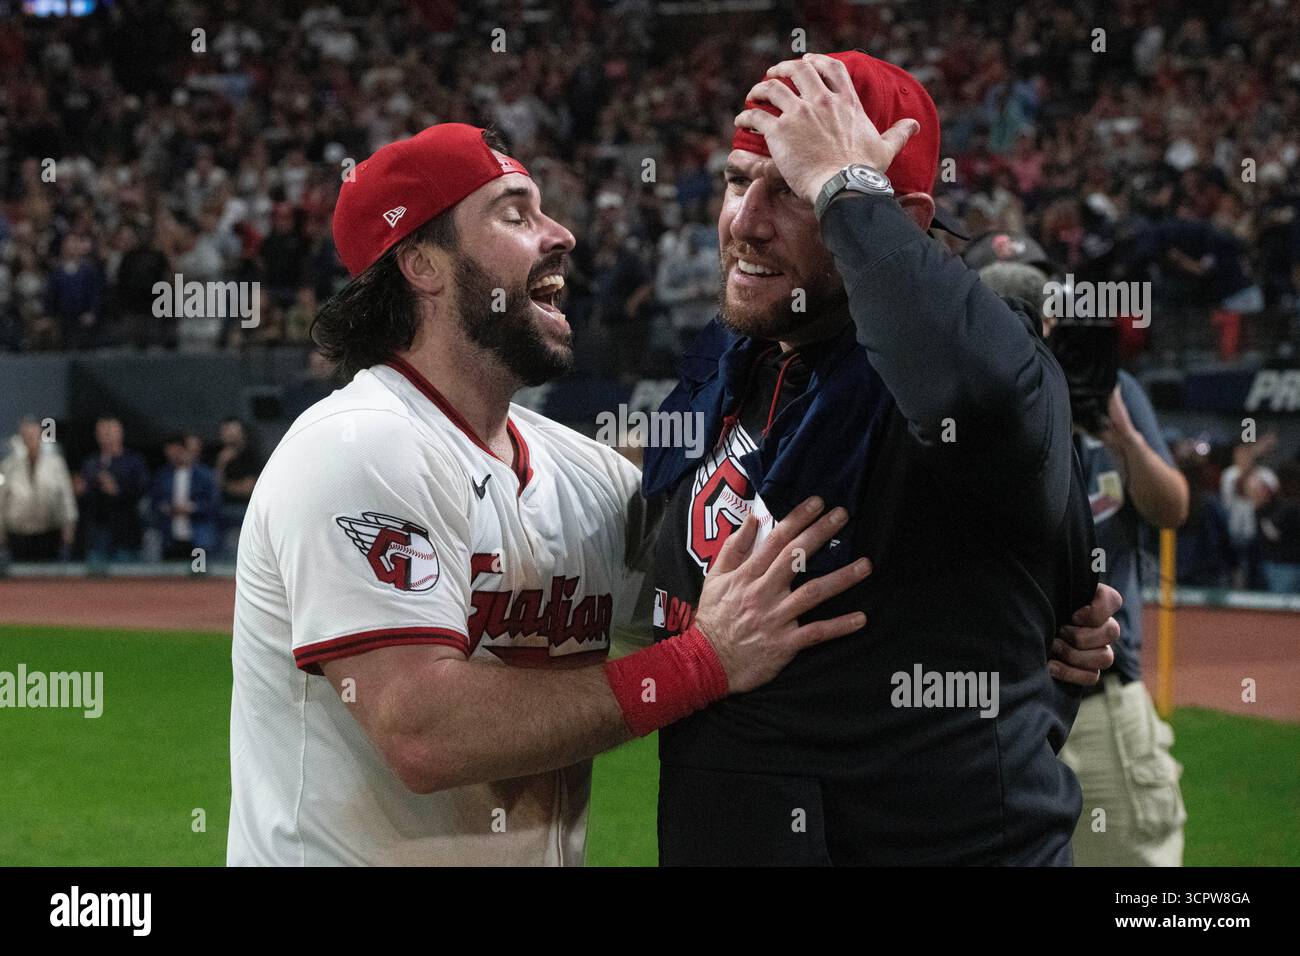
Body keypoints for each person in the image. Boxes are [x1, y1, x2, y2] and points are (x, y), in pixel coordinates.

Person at [226, 123, 869, 866]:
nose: (561, 233)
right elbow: (423, 731)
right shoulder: (359, 445)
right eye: (514, 212)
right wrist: (700, 665)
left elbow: (736, 602)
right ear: (423, 265)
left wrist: (1010, 621)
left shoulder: (582, 474)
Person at [641, 52, 1120, 865]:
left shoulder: (968, 365)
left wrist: (846, 185)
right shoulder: (736, 359)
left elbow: (974, 391)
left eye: (792, 189)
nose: (745, 222)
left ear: (893, 211)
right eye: (737, 180)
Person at [976, 249, 1191, 866]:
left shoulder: (1110, 395)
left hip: (1098, 698)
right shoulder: (957, 410)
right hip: (994, 707)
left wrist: (1120, 435)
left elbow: (1172, 509)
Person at [0, 417, 78, 561]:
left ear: (40, 436)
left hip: (48, 532)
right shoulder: (8, 465)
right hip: (17, 534)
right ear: (21, 438)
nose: (30, 439)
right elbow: (1, 501)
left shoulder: (56, 464)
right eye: (26, 436)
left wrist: (68, 531)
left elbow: (66, 497)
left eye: (33, 435)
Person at [74, 416, 149, 563]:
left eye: (110, 432)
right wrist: (81, 491)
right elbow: (85, 498)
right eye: (102, 433)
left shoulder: (134, 462)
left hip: (126, 534)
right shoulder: (91, 463)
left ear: (120, 434)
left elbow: (142, 491)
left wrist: (117, 491)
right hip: (97, 534)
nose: (106, 436)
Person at [150, 433, 222, 560]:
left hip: (199, 539)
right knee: (170, 576)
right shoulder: (163, 475)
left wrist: (192, 508)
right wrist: (168, 508)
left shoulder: (205, 475)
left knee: (199, 573)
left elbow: (214, 504)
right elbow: (155, 503)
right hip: (170, 539)